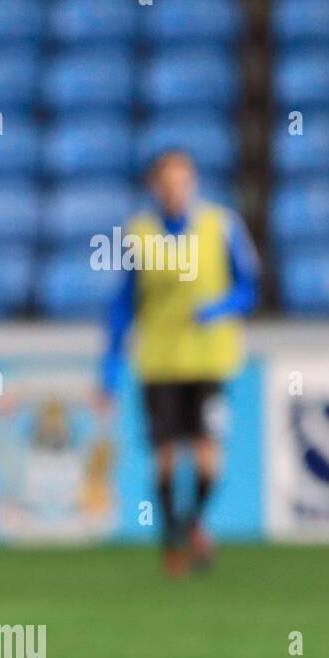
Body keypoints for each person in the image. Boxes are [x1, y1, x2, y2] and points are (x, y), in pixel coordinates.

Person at [100, 150, 260, 577]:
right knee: (166, 454)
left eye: (182, 181)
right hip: (160, 362)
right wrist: (109, 369)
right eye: (167, 183)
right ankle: (172, 535)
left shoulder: (221, 226)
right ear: (155, 187)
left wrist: (218, 308)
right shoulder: (138, 234)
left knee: (208, 454)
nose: (175, 190)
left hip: (209, 362)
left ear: (193, 184)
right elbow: (122, 304)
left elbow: (250, 289)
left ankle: (189, 524)